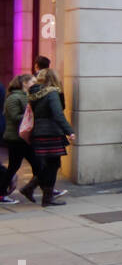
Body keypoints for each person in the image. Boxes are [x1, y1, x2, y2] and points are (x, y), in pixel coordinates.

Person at [22, 68, 74, 206]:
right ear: (53, 79)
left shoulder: (33, 93)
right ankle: (42, 196)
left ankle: (33, 189)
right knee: (54, 164)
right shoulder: (51, 93)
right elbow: (58, 114)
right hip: (51, 132)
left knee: (50, 164)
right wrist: (69, 130)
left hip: (38, 131)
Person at [2, 74, 37, 202]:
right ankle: (2, 193)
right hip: (16, 139)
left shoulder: (26, 96)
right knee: (14, 167)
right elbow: (14, 117)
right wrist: (31, 115)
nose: (35, 83)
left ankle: (46, 189)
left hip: (24, 138)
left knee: (37, 165)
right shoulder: (14, 97)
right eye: (33, 81)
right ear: (25, 83)